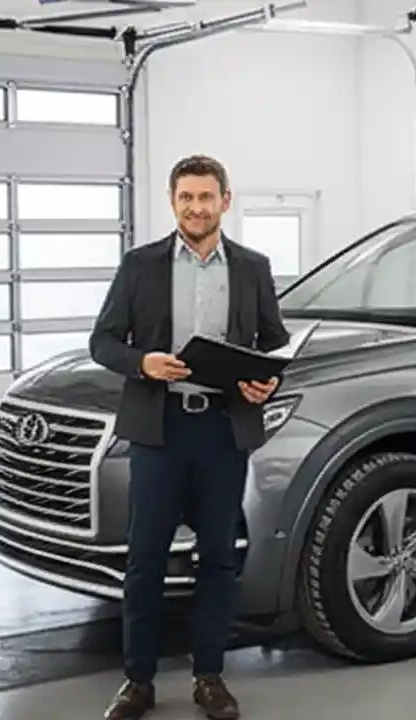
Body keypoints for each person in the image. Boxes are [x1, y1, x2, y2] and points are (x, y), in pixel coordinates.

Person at [90, 154, 290, 720]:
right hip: (160, 432)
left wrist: (263, 385)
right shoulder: (140, 266)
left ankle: (210, 677)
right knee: (145, 561)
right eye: (186, 198)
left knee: (219, 560)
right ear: (173, 202)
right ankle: (138, 682)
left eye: (206, 197)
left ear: (226, 200)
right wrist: (142, 363)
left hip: (223, 433)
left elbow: (274, 345)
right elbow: (101, 341)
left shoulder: (253, 267)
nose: (196, 208)